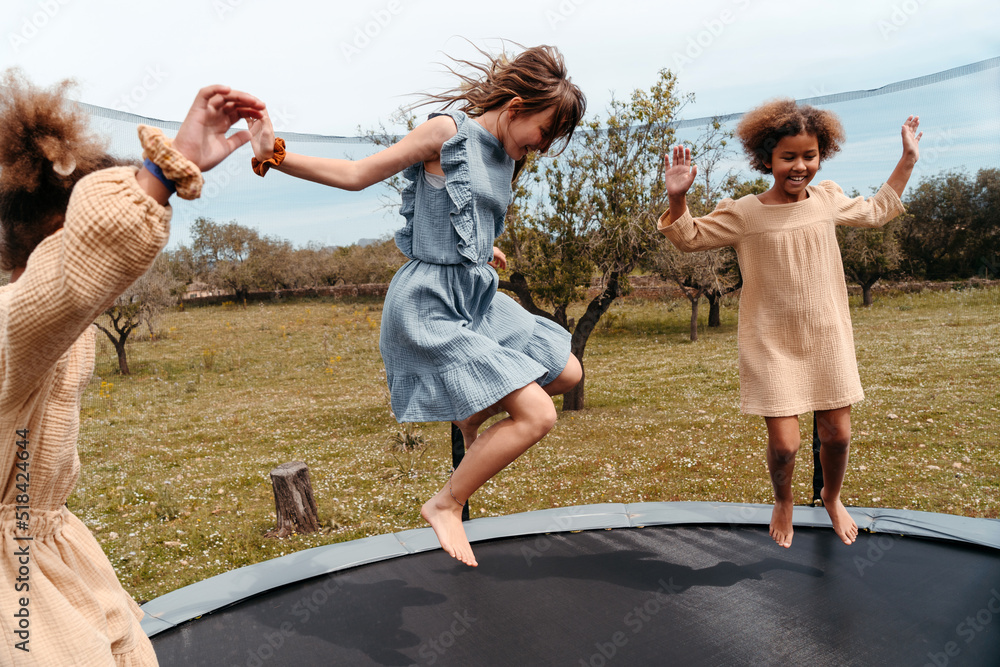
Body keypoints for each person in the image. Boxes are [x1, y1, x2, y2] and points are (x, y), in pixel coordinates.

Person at [248, 45, 585, 567]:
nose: (541, 146)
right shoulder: (447, 133)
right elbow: (357, 173)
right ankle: (444, 503)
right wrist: (275, 152)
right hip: (429, 304)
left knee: (566, 371)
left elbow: (464, 211)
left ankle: (473, 407)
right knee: (538, 415)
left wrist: (481, 247)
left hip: (475, 294)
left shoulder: (505, 155)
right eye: (544, 132)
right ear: (516, 107)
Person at [0, 70, 264, 665]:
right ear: (61, 240)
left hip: (49, 547)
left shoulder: (59, 331)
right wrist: (166, 171)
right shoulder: (10, 327)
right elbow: (76, 270)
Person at [658, 98, 921, 548]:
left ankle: (831, 496)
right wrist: (678, 196)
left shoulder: (827, 200)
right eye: (789, 157)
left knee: (837, 436)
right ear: (766, 159)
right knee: (786, 446)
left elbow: (878, 209)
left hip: (827, 339)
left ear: (822, 155)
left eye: (810, 155)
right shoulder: (744, 213)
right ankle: (783, 500)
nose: (800, 166)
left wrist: (907, 160)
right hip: (771, 344)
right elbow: (689, 237)